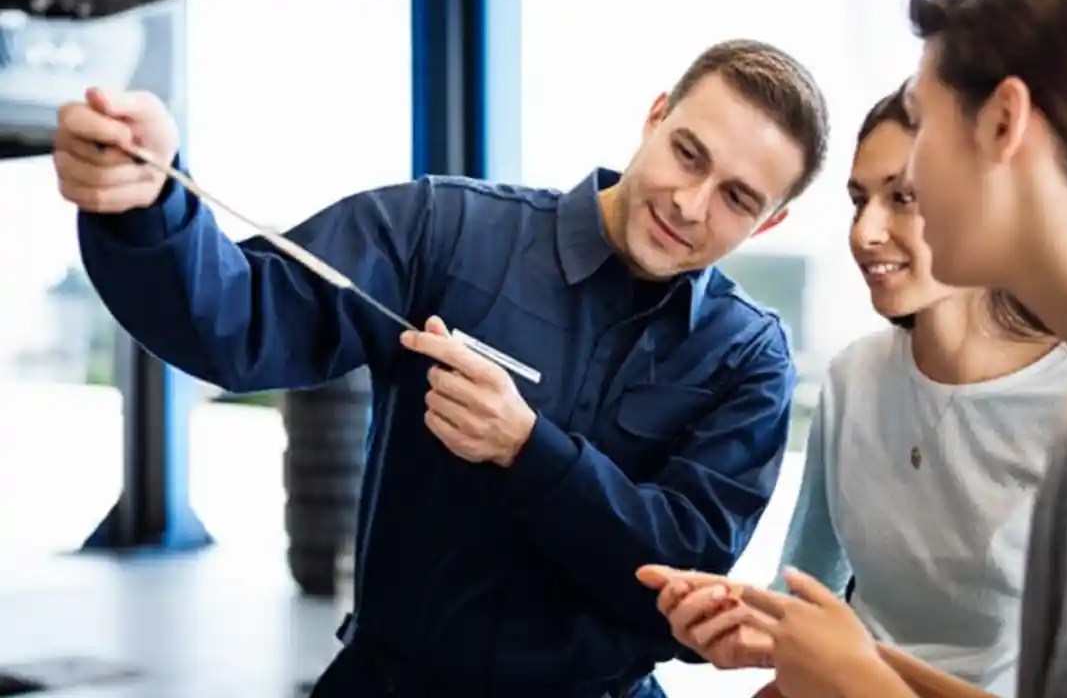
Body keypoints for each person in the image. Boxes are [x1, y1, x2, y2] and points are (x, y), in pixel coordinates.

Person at [52, 38, 831, 697]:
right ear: (656, 115)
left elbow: (684, 576)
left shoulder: (750, 359)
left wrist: (530, 452)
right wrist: (146, 201)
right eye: (687, 154)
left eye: (736, 198)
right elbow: (240, 321)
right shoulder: (443, 229)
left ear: (772, 220)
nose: (690, 205)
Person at [639, 0, 1067, 697]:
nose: (878, 217)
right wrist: (844, 659)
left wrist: (861, 682)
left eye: (923, 130)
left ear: (1005, 123)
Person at [642, 84, 1067, 698]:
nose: (866, 232)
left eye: (904, 197)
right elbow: (804, 592)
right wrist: (740, 621)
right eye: (858, 200)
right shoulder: (856, 378)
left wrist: (855, 671)